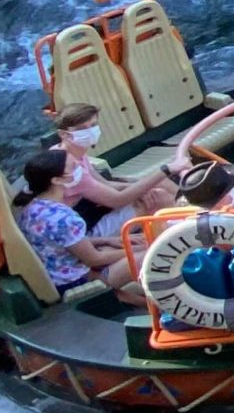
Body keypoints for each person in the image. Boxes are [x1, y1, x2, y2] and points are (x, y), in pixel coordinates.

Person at [14, 150, 137, 294]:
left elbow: (61, 243)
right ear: (57, 180)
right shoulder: (64, 218)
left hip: (56, 275)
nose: (79, 168)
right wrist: (140, 249)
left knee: (118, 248)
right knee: (148, 256)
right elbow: (94, 259)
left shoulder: (33, 207)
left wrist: (108, 240)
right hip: (75, 281)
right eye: (73, 166)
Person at [50, 102, 176, 235]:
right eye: (81, 128)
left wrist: (144, 187)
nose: (89, 131)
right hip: (85, 229)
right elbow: (116, 200)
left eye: (93, 125)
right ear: (64, 134)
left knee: (159, 184)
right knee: (159, 198)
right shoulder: (70, 169)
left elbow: (106, 184)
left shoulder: (75, 152)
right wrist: (147, 186)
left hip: (95, 209)